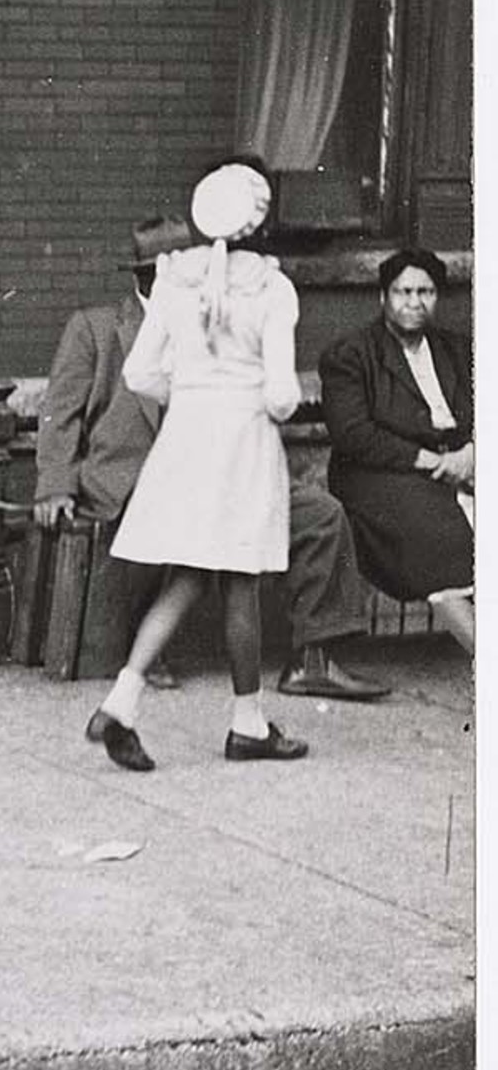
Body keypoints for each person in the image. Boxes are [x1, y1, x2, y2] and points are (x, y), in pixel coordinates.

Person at [33, 218, 386, 700]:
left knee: (321, 515)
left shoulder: (224, 310)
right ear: (146, 273)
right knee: (192, 542)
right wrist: (55, 483)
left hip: (225, 469)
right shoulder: (96, 327)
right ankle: (150, 662)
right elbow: (60, 411)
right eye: (160, 272)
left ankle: (314, 659)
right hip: (131, 475)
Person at [87, 159, 308, 772]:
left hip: (186, 438)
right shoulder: (272, 288)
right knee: (240, 582)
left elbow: (139, 375)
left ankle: (123, 699)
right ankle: (247, 724)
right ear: (260, 221)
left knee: (185, 576)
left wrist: (189, 395)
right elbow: (281, 395)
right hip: (242, 444)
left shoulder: (173, 280)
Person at [320, 247, 475, 656]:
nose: (414, 302)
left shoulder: (459, 350)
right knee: (438, 540)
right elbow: (354, 435)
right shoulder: (351, 355)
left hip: (461, 464)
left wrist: (472, 452)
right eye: (403, 291)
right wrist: (432, 461)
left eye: (425, 292)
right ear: (383, 297)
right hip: (380, 475)